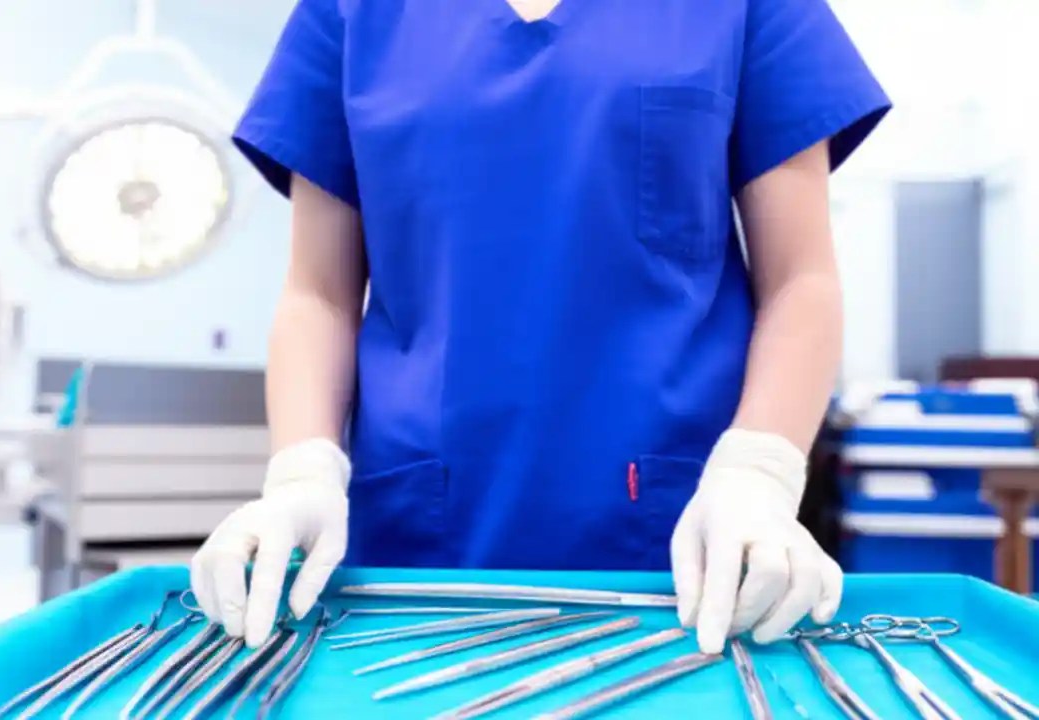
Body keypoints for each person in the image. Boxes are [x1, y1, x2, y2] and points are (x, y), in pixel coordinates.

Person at [190, 0, 890, 654]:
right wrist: (302, 470)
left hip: (685, 549)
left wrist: (758, 474)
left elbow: (801, 281)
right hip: (417, 560)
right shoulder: (353, 13)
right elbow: (320, 295)